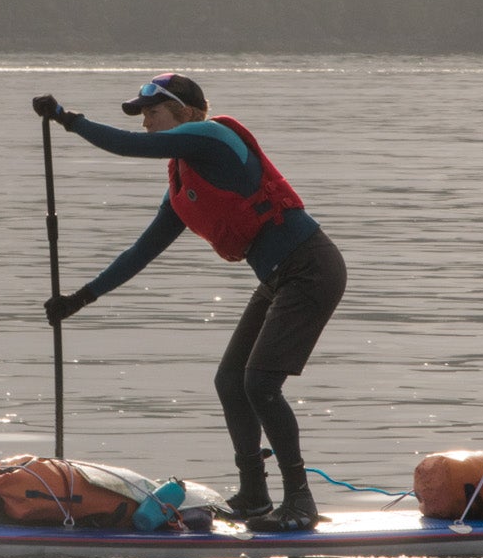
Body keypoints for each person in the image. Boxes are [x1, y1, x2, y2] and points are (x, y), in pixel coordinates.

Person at [31, 73, 347, 532]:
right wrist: (79, 299)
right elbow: (142, 251)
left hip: (310, 269)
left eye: (151, 113)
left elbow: (125, 147)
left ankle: (300, 500)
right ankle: (255, 496)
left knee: (259, 383)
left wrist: (66, 118)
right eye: (141, 116)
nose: (145, 124)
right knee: (229, 381)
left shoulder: (211, 135)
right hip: (280, 277)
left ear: (185, 112)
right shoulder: (182, 183)